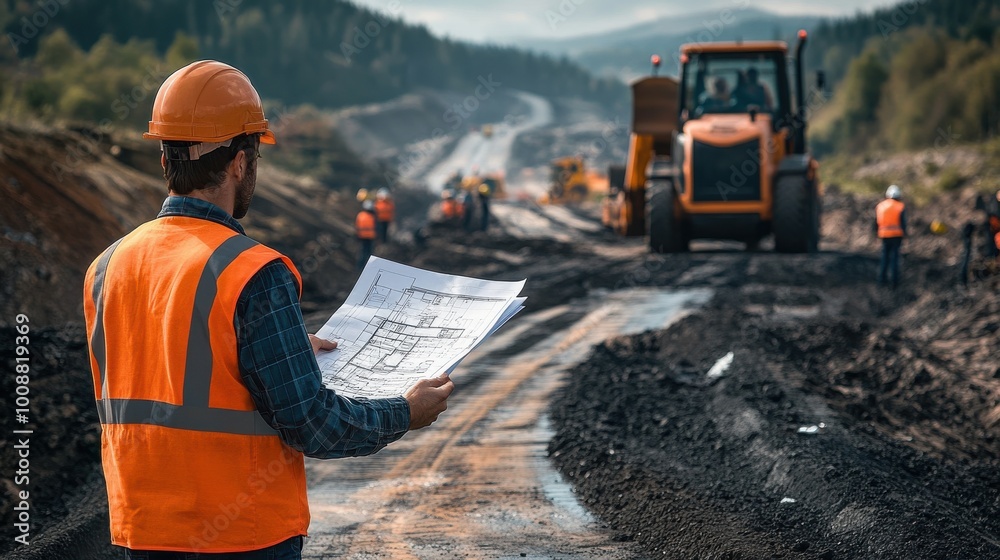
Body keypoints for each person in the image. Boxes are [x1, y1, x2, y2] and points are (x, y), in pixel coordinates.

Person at [83, 60, 453, 559]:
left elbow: (172, 359)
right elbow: (311, 423)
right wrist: (404, 413)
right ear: (239, 162)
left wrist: (270, 345)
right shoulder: (252, 270)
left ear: (166, 156)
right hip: (242, 534)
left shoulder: (106, 267)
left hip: (142, 530)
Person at [875, 184, 907, 288]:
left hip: (884, 235)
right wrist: (905, 233)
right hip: (896, 236)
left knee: (885, 257)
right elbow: (903, 223)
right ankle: (894, 281)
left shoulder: (880, 206)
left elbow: (876, 222)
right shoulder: (900, 206)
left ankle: (882, 280)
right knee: (894, 258)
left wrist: (877, 232)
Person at [356, 199, 377, 270]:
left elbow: (357, 226)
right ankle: (366, 266)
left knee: (363, 252)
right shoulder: (372, 217)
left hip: (362, 236)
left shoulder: (360, 215)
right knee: (367, 252)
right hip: (369, 237)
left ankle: (361, 266)